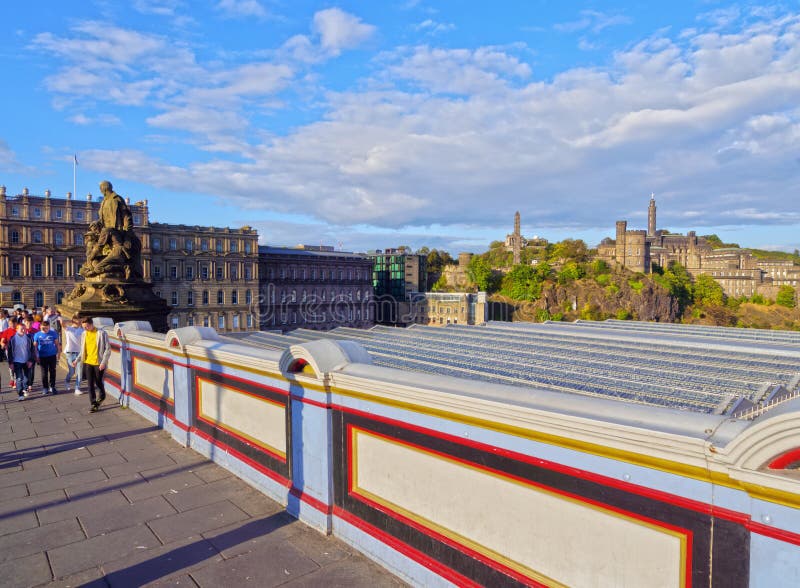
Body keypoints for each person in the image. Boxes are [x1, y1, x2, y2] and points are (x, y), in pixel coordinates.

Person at [73, 317, 110, 412]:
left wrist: (103, 362)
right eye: (83, 327)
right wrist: (77, 360)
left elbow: (107, 349)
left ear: (91, 324)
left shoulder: (101, 333)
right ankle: (93, 404)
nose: (85, 328)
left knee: (98, 382)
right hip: (88, 362)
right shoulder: (84, 334)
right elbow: (83, 350)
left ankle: (102, 395)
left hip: (98, 363)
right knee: (90, 384)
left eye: (87, 326)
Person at [7, 322, 35, 401]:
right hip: (17, 361)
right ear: (16, 330)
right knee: (19, 378)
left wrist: (30, 360)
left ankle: (25, 389)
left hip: (26, 360)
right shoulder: (13, 339)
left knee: (27, 377)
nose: (23, 330)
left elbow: (32, 350)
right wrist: (10, 363)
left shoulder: (28, 338)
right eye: (21, 329)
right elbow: (9, 351)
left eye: (24, 329)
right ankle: (20, 394)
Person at [33, 321, 60, 395]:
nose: (45, 330)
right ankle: (45, 387)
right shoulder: (37, 335)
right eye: (43, 328)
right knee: (44, 373)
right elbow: (35, 346)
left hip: (52, 355)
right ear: (40, 327)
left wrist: (59, 353)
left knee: (52, 371)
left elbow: (57, 344)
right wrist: (36, 355)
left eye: (47, 328)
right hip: (42, 356)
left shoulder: (53, 333)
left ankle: (52, 386)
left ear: (49, 327)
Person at [60, 315, 84, 395]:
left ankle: (77, 388)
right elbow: (62, 322)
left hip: (79, 353)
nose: (80, 322)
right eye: (78, 321)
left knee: (79, 372)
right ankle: (67, 381)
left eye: (80, 321)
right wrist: (72, 321)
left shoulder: (82, 330)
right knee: (72, 371)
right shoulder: (68, 329)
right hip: (70, 353)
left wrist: (80, 322)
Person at [1, 317, 19, 389]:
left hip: (18, 351)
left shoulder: (19, 330)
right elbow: (2, 341)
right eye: (10, 323)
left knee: (17, 365)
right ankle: (12, 379)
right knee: (11, 366)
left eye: (13, 323)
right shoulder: (7, 331)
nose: (12, 325)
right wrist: (3, 344)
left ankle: (16, 380)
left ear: (16, 323)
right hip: (9, 351)